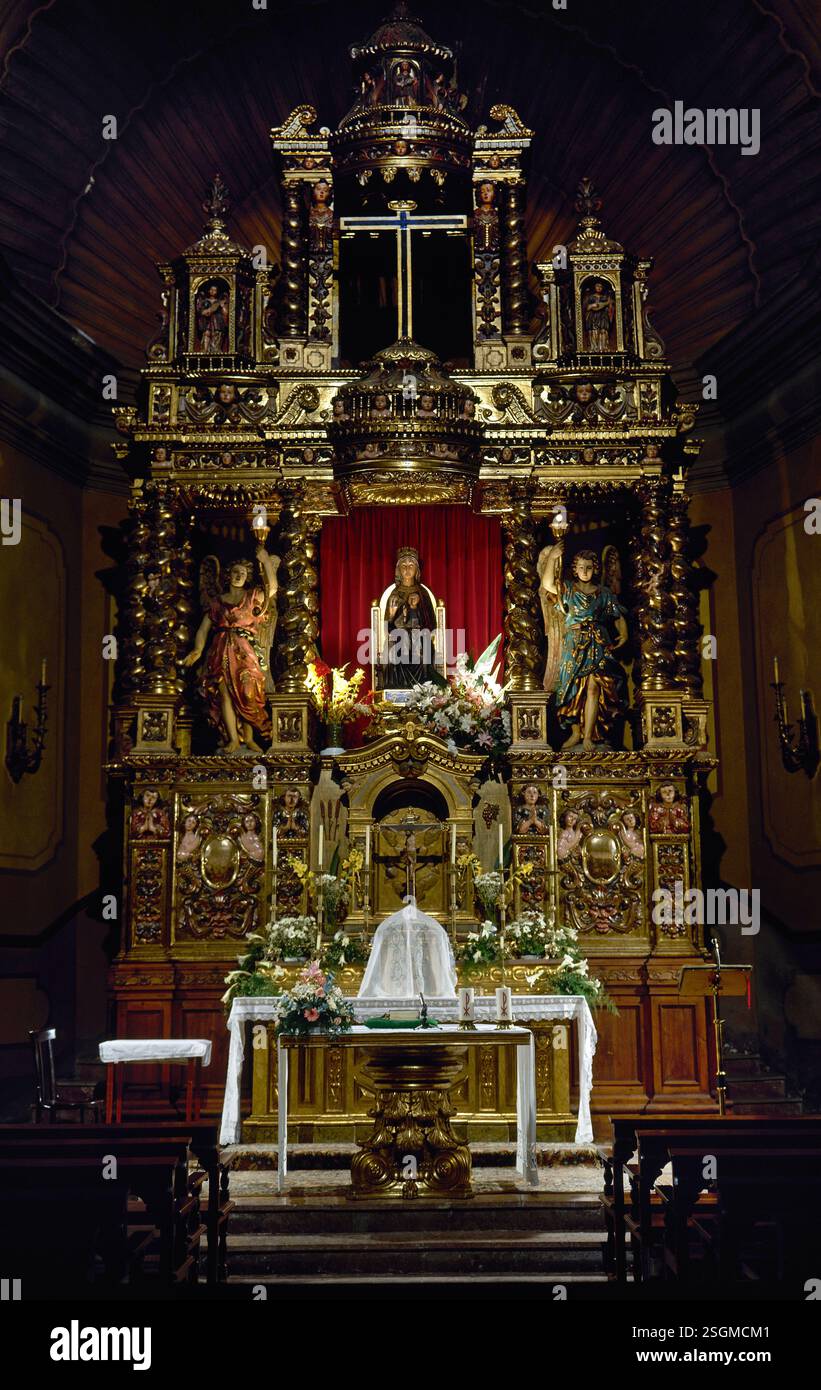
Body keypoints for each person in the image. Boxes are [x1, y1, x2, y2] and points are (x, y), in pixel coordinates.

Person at [184, 546, 279, 753]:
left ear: (248, 577)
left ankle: (250, 737)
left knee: (247, 693)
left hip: (244, 650)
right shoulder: (218, 601)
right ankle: (233, 740)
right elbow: (203, 629)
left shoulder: (254, 596)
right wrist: (198, 649)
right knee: (225, 693)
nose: (238, 576)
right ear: (228, 575)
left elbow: (272, 589)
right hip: (220, 650)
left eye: (242, 573)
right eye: (235, 572)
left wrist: (265, 562)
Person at [541, 545, 628, 749]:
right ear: (575, 569)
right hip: (574, 644)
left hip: (597, 643)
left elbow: (617, 615)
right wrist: (553, 558)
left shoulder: (604, 593)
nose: (585, 571)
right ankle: (576, 732)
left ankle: (588, 735)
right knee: (570, 690)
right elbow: (547, 583)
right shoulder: (568, 589)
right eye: (581, 567)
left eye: (589, 567)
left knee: (593, 686)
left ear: (595, 568)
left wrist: (623, 633)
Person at [381, 547, 437, 688]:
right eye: (403, 566)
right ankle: (398, 687)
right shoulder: (394, 594)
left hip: (419, 636)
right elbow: (388, 628)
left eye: (411, 565)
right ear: (398, 569)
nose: (407, 569)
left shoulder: (422, 593)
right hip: (399, 638)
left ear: (417, 570)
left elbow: (431, 624)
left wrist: (413, 609)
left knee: (423, 649)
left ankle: (422, 687)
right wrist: (392, 614)